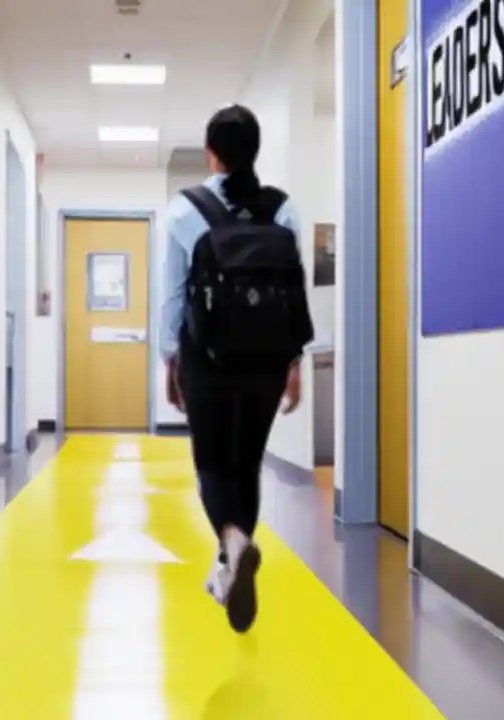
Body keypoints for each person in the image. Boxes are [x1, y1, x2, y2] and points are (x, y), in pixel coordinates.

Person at [160, 104, 314, 633]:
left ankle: (231, 543)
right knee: (246, 463)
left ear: (211, 153)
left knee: (211, 463)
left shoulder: (184, 211)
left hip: (207, 358)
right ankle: (231, 565)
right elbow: (295, 293)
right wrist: (295, 361)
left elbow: (172, 297)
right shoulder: (285, 211)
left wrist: (169, 360)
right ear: (255, 151)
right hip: (268, 359)